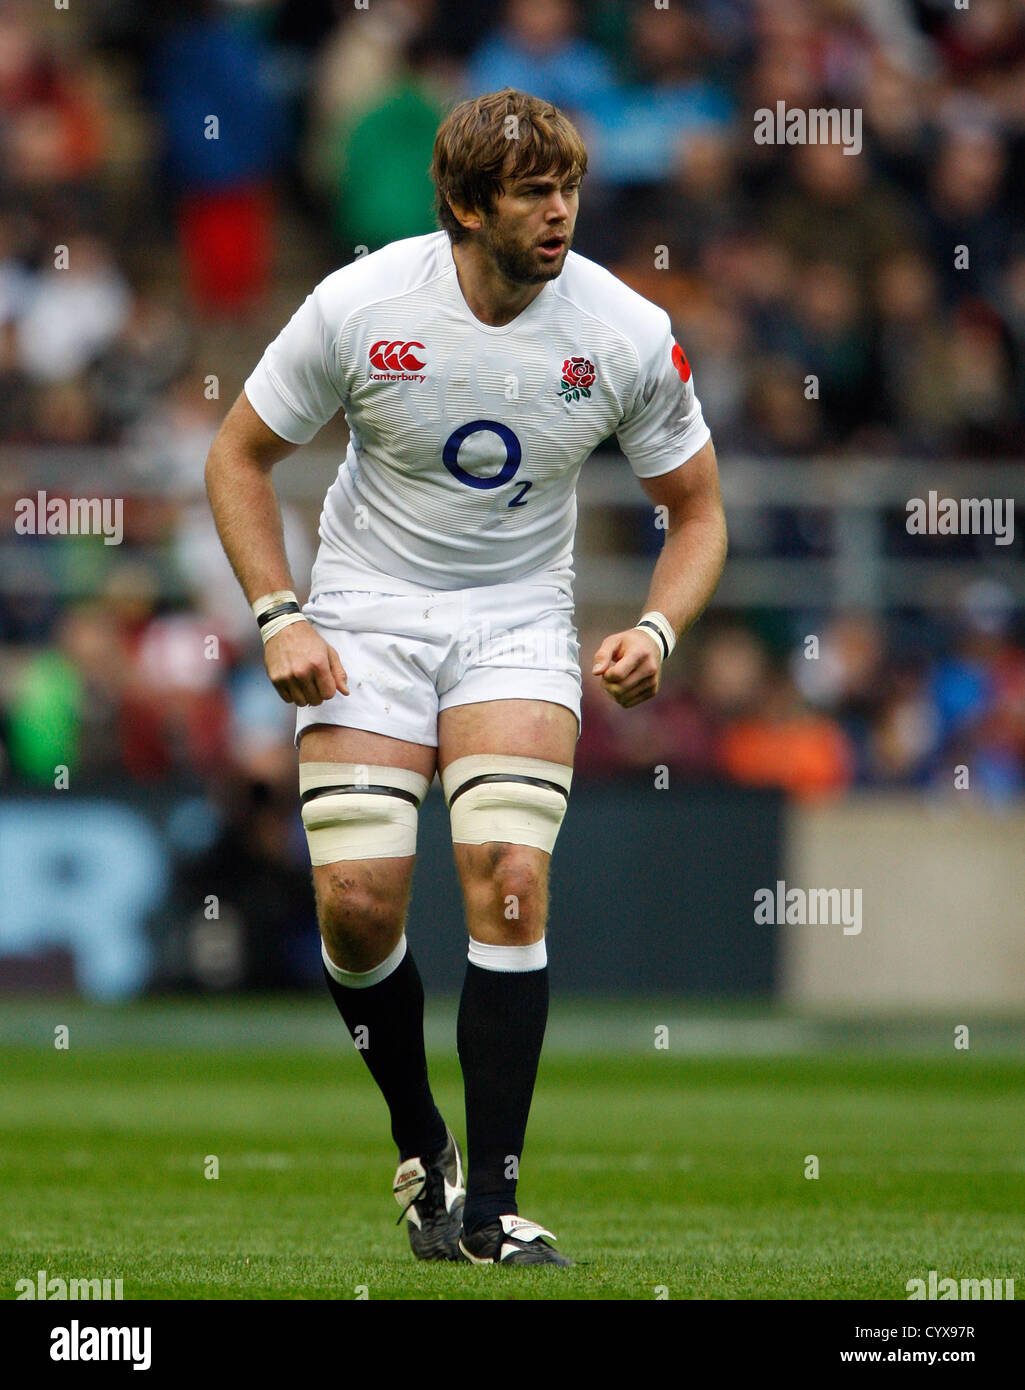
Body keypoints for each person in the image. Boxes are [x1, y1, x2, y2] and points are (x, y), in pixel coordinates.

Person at [205, 88, 727, 1267]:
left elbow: (694, 512)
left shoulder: (623, 330)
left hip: (513, 620)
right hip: (365, 608)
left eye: (569, 190)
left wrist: (656, 629)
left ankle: (488, 1205)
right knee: (354, 908)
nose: (559, 215)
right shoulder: (360, 304)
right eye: (533, 194)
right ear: (460, 205)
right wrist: (278, 612)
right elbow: (236, 457)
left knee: (506, 883)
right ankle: (419, 1143)